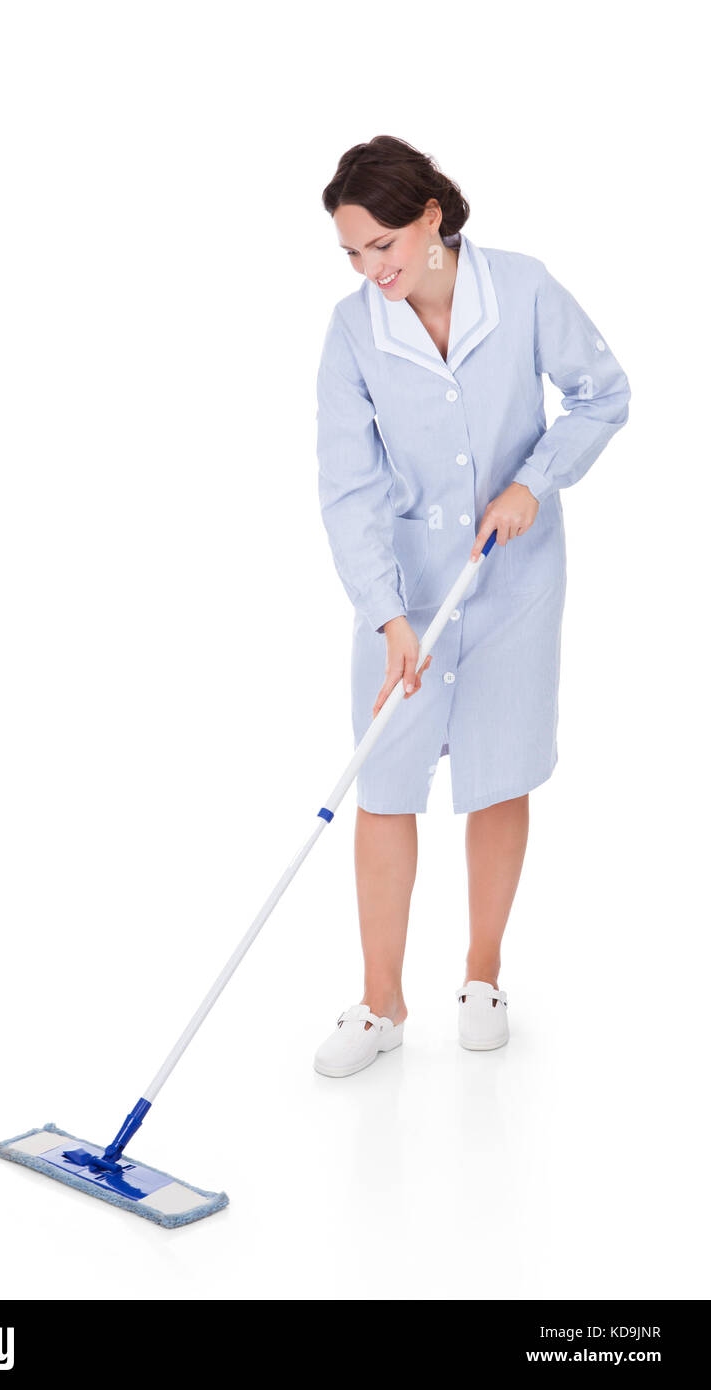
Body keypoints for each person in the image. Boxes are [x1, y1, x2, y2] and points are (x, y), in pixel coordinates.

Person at [313, 135, 630, 1077]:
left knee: (498, 775)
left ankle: (482, 976)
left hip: (514, 582)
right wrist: (387, 612)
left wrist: (538, 480)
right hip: (408, 592)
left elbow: (603, 395)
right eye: (354, 255)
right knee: (387, 784)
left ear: (431, 217)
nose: (373, 271)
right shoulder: (351, 332)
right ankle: (381, 1005)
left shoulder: (525, 290)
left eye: (383, 246)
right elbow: (348, 488)